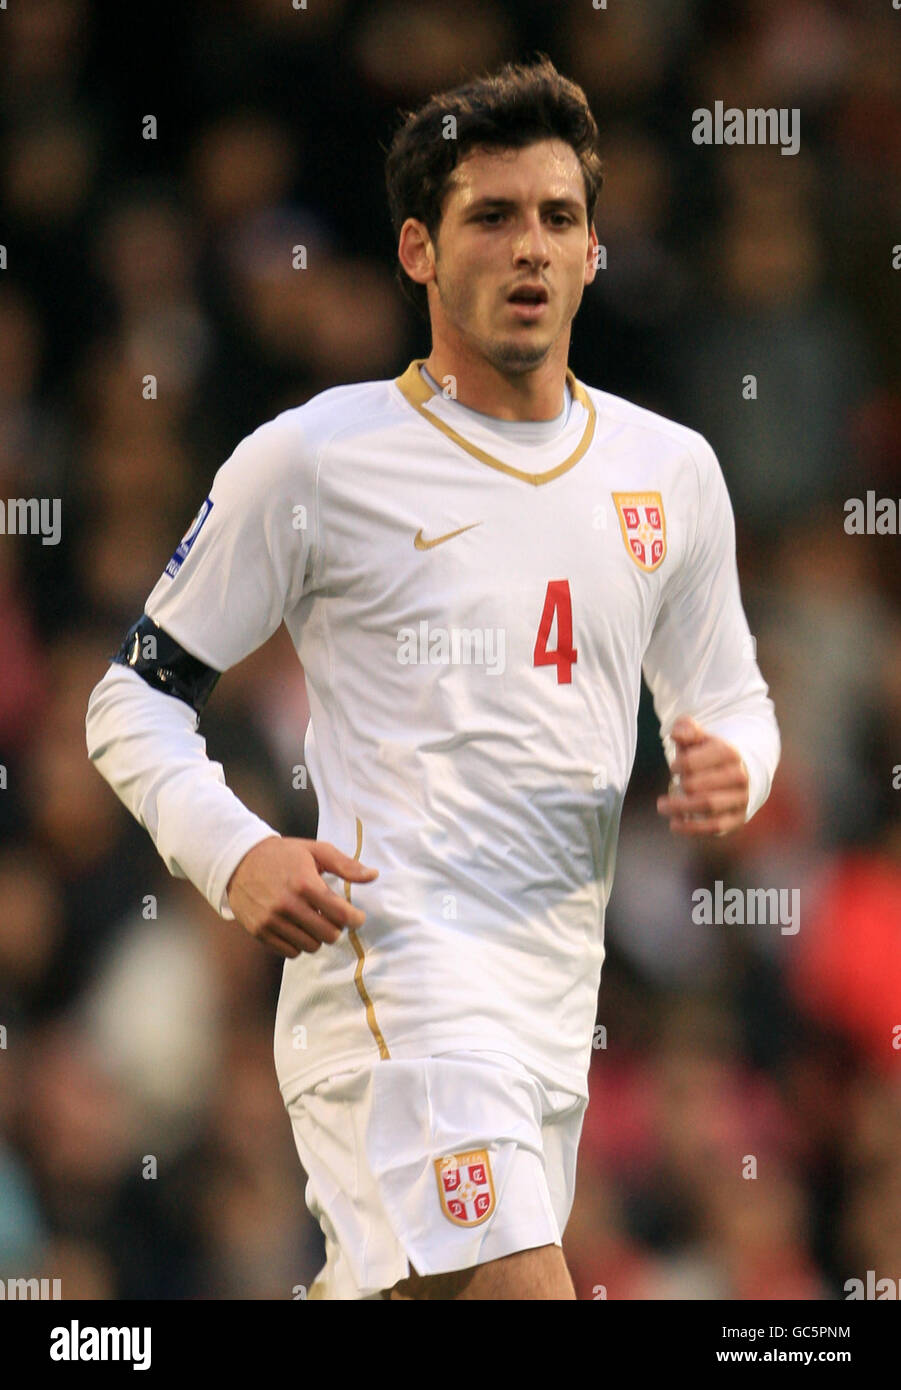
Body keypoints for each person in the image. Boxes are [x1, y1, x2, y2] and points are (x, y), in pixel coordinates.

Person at [85, 56, 780, 1301]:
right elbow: (129, 696)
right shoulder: (315, 460)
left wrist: (737, 763)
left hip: (552, 1011)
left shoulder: (668, 472)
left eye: (558, 218)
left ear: (592, 251)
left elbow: (726, 696)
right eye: (492, 217)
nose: (531, 248)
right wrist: (236, 849)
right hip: (392, 978)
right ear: (416, 249)